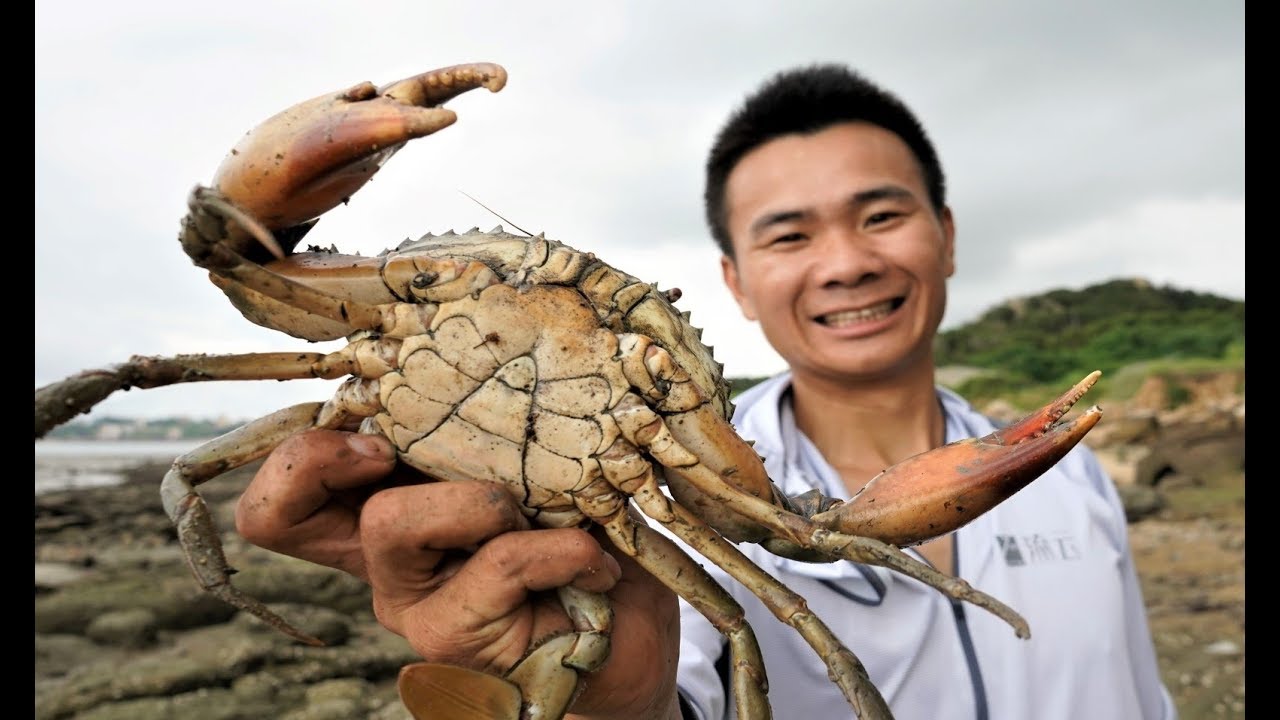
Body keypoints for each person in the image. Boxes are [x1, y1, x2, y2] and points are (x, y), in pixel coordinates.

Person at [234, 63, 1176, 719]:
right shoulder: (678, 524)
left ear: (949, 236)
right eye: (790, 234)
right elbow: (235, 245)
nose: (846, 263)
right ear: (734, 281)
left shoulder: (1062, 467)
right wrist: (622, 708)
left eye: (882, 215)